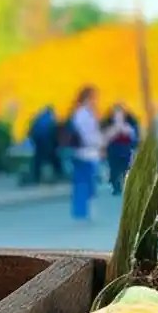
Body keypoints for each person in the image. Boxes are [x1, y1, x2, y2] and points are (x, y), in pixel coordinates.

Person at [68, 87, 103, 221]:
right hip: (85, 152)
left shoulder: (85, 113)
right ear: (87, 98)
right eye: (94, 98)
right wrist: (99, 142)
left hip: (86, 152)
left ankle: (81, 211)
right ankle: (84, 210)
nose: (96, 101)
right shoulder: (83, 114)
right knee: (86, 181)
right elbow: (87, 134)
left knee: (83, 181)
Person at [102, 104, 138, 196]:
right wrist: (115, 130)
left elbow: (133, 137)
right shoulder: (108, 126)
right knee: (115, 170)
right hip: (113, 152)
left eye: (120, 114)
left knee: (126, 168)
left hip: (126, 151)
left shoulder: (129, 125)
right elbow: (105, 139)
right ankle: (116, 185)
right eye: (116, 115)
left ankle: (125, 184)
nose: (118, 117)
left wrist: (123, 128)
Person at [27, 106, 61, 184]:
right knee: (53, 158)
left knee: (38, 159)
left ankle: (36, 176)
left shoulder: (38, 119)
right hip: (47, 141)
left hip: (38, 141)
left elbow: (31, 132)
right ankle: (58, 174)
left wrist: (34, 143)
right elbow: (54, 133)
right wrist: (56, 145)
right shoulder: (51, 119)